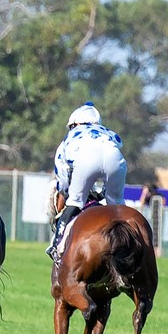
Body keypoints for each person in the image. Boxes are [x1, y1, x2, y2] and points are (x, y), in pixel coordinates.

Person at [48, 102, 127, 257]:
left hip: (86, 159)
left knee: (75, 202)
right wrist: (102, 193)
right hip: (115, 157)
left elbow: (63, 183)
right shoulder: (107, 132)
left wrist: (67, 193)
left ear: (75, 123)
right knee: (117, 205)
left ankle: (56, 245)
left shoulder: (69, 138)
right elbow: (116, 147)